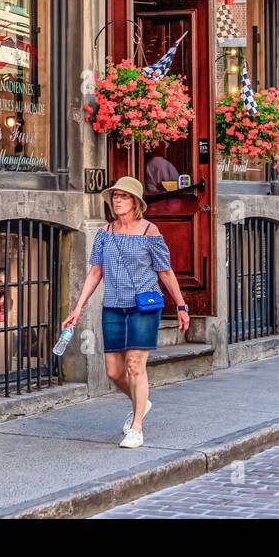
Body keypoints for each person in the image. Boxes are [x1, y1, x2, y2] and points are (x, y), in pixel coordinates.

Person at [64, 177, 191, 448]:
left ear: (136, 202)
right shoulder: (104, 233)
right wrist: (77, 309)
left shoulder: (150, 232)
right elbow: (95, 272)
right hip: (113, 305)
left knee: (135, 364)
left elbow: (165, 272)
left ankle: (136, 427)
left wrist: (181, 306)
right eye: (115, 196)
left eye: (124, 196)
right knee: (113, 371)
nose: (117, 200)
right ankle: (141, 402)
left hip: (144, 306)